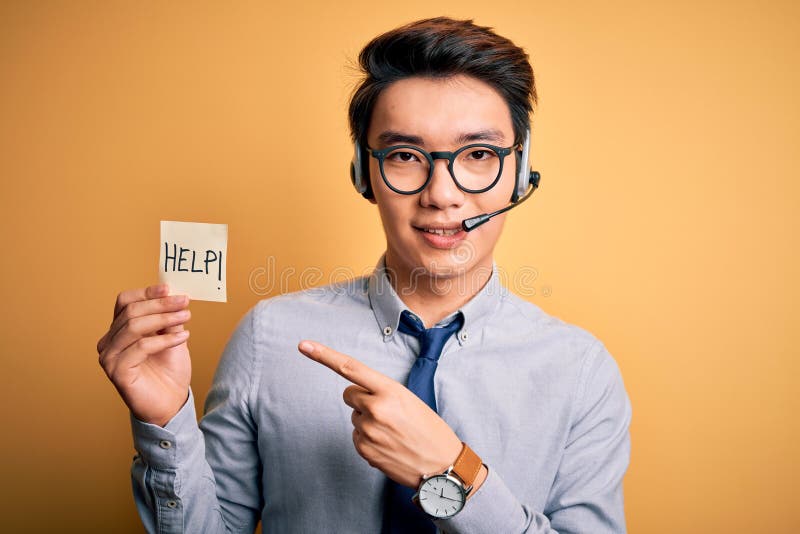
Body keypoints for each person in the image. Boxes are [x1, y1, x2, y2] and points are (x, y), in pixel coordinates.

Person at [96, 17, 632, 533]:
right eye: (405, 155)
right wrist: (165, 421)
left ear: (518, 170)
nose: (441, 194)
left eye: (478, 154)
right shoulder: (267, 338)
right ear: (363, 170)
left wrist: (451, 471)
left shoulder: (581, 373)